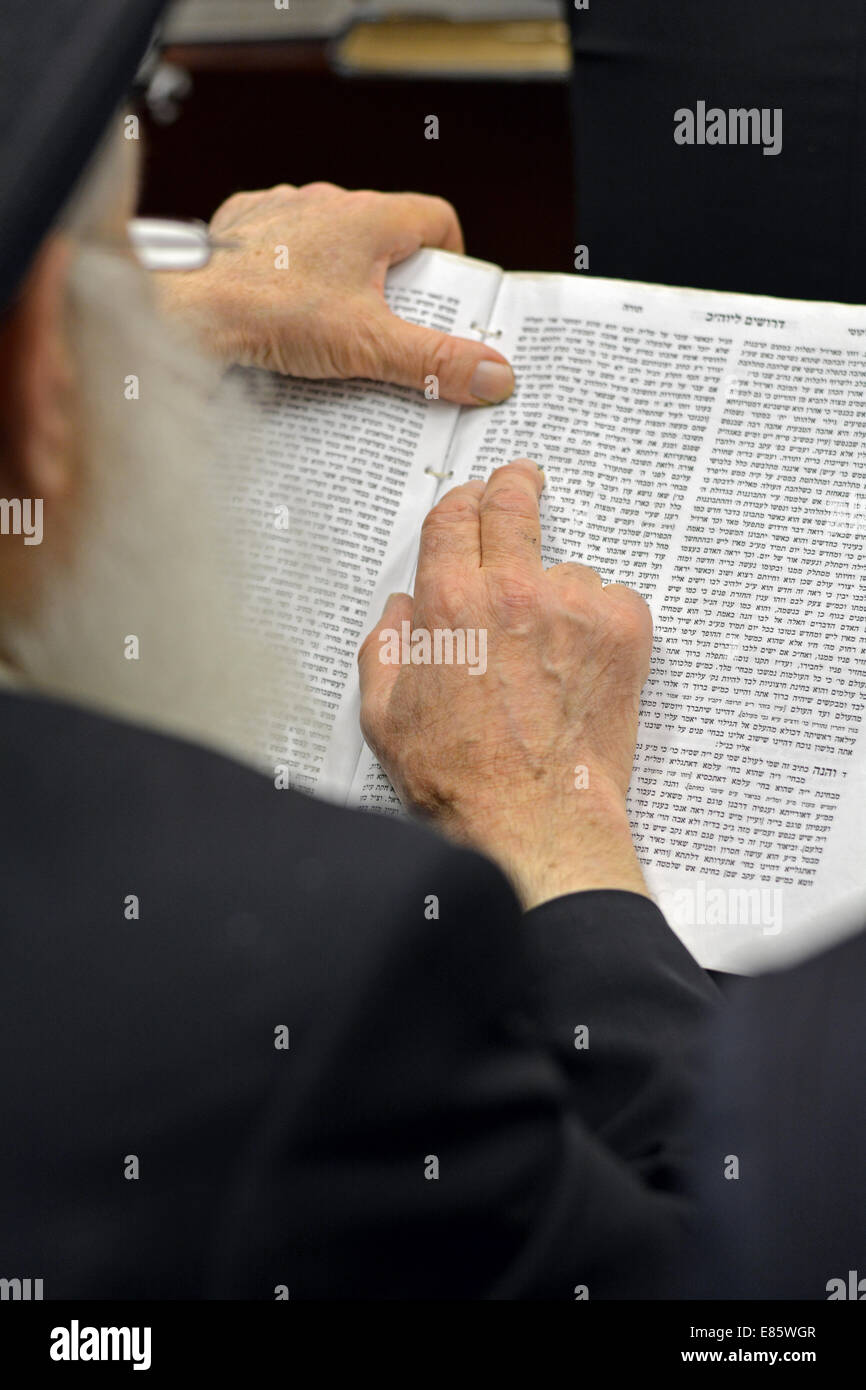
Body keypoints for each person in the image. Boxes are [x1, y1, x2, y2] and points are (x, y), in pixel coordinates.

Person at [0, 0, 721, 1300]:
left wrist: (164, 318)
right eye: (115, 254)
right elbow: (722, 1288)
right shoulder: (310, 968)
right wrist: (550, 822)